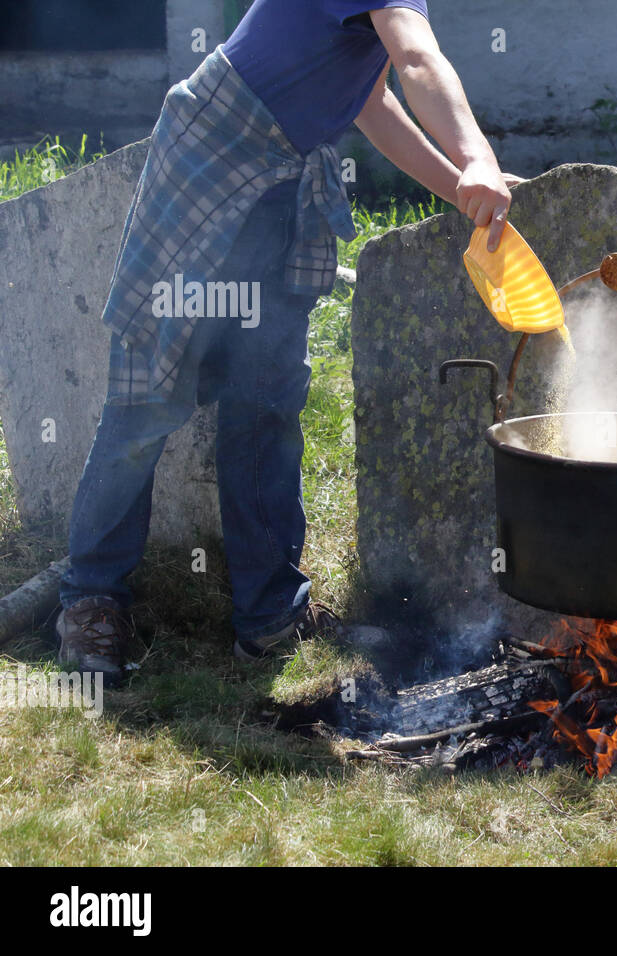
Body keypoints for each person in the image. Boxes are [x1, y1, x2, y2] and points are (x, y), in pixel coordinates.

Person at [56, 2, 515, 683]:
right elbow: (417, 59)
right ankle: (89, 600)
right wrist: (477, 155)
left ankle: (270, 611)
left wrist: (464, 192)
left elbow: (375, 102)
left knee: (266, 401)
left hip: (279, 188)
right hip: (208, 163)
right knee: (147, 400)